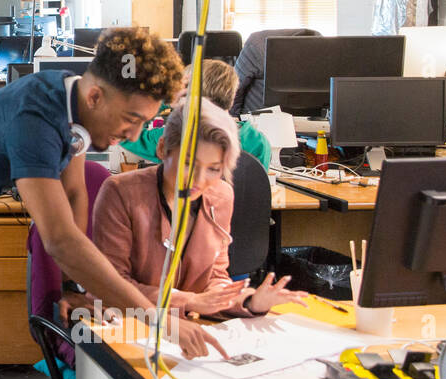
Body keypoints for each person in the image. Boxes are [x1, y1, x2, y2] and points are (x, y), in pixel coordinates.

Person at [0, 27, 227, 379]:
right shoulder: (36, 119)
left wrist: (70, 287)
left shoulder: (71, 100)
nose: (134, 132)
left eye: (145, 121)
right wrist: (157, 319)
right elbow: (59, 239)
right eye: (131, 118)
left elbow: (74, 191)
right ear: (96, 96)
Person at [90, 100, 307, 319]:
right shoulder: (121, 192)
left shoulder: (221, 195)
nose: (199, 179)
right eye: (188, 164)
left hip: (190, 325)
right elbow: (112, 285)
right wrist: (189, 301)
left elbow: (215, 278)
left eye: (214, 169)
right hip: (126, 324)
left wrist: (248, 301)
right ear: (162, 148)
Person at [122, 59, 273, 169]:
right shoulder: (259, 142)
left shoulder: (176, 137)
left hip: (190, 213)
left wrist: (163, 100)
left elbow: (125, 133)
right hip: (237, 213)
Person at [231, 28, 321, 115]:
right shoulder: (257, 46)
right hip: (259, 120)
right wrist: (236, 121)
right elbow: (233, 88)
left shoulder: (324, 49)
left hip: (310, 120)